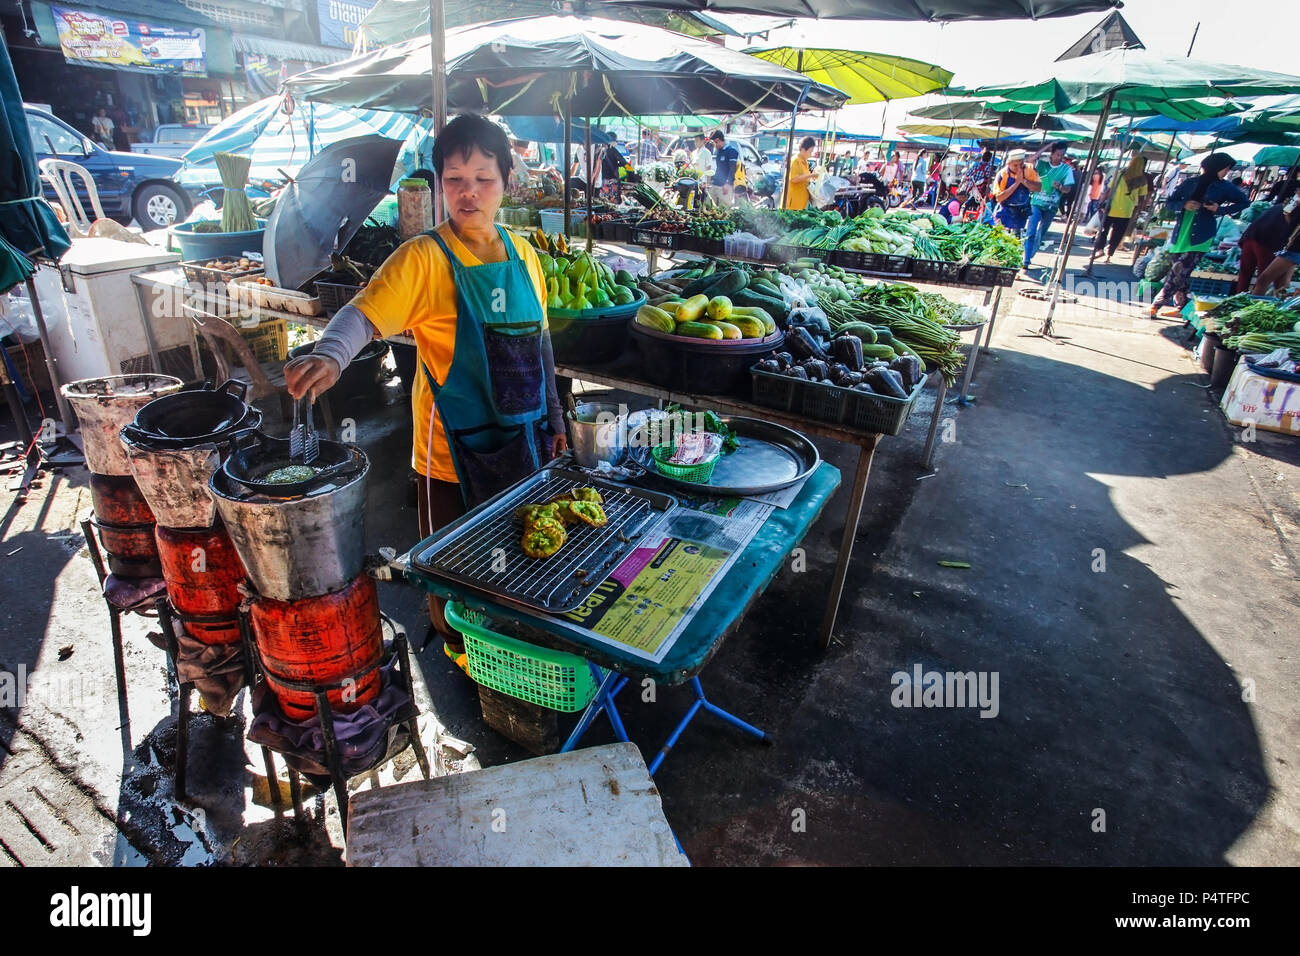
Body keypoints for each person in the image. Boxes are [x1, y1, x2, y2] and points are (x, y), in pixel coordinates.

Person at [284, 114, 567, 671]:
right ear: (439, 186)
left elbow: (540, 345)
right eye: (454, 178)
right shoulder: (424, 259)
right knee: (452, 573)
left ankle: (507, 651)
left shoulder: (525, 254)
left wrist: (556, 416)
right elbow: (364, 312)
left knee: (512, 557)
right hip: (448, 455)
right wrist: (331, 353)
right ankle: (467, 663)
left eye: (483, 177)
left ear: (507, 181)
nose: (468, 192)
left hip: (523, 441)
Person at [1150, 153, 1250, 316]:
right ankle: (1182, 308)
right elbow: (1170, 202)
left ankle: (1156, 304)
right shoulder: (1190, 183)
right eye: (1226, 169)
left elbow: (1245, 202)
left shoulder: (1225, 187)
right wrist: (1184, 204)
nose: (1226, 172)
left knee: (1178, 269)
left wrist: (1219, 209)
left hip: (1202, 235)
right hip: (1182, 232)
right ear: (1216, 167)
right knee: (1183, 273)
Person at [1021, 141, 1075, 278]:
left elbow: (1068, 189)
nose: (1059, 157)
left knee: (1042, 232)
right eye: (1057, 154)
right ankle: (1026, 260)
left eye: (1062, 155)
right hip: (1036, 202)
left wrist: (1060, 187)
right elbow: (1030, 160)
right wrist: (1047, 145)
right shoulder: (1043, 165)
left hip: (1052, 206)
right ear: (1051, 154)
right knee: (1031, 231)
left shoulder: (1066, 170)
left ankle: (1030, 252)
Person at [1087, 156, 1148, 271]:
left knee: (1103, 230)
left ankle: (1099, 250)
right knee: (1117, 234)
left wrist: (1101, 201)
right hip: (1126, 211)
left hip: (1111, 208)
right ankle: (1109, 255)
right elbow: (1141, 198)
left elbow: (1109, 189)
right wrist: (1138, 211)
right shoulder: (1142, 180)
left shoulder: (1120, 174)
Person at [1247, 197, 1300, 295]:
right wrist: (1287, 211)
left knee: (1264, 279)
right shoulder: (1296, 205)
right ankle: (1284, 308)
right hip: (1289, 246)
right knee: (1282, 284)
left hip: (1295, 248)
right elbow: (1291, 225)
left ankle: (1254, 307)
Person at [991, 149, 1040, 239]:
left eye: (1021, 165)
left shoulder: (1029, 169)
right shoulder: (1003, 174)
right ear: (1008, 163)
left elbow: (1038, 188)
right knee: (1000, 237)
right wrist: (1017, 183)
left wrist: (1024, 181)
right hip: (1005, 210)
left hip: (1021, 210)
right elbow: (999, 198)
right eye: (1015, 165)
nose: (1019, 168)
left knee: (1016, 239)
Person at [785, 136, 817, 210]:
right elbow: (793, 179)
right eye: (810, 151)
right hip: (793, 203)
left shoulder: (804, 161)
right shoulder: (795, 160)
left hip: (801, 203)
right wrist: (811, 175)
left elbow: (805, 178)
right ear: (803, 149)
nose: (811, 154)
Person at [709, 129, 739, 205]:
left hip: (725, 187)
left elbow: (732, 169)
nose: (714, 146)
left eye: (713, 143)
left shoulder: (731, 151)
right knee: (708, 207)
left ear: (717, 140)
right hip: (715, 185)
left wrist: (728, 183)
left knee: (724, 211)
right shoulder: (719, 152)